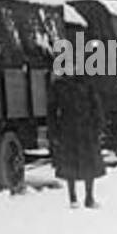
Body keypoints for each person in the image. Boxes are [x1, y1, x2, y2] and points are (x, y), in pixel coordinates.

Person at [48, 71, 105, 208]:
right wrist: (54, 131)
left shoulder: (86, 83)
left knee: (88, 164)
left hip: (85, 129)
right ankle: (73, 198)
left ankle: (89, 197)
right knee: (70, 165)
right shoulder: (60, 86)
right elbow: (52, 110)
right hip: (69, 128)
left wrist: (98, 127)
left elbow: (96, 107)